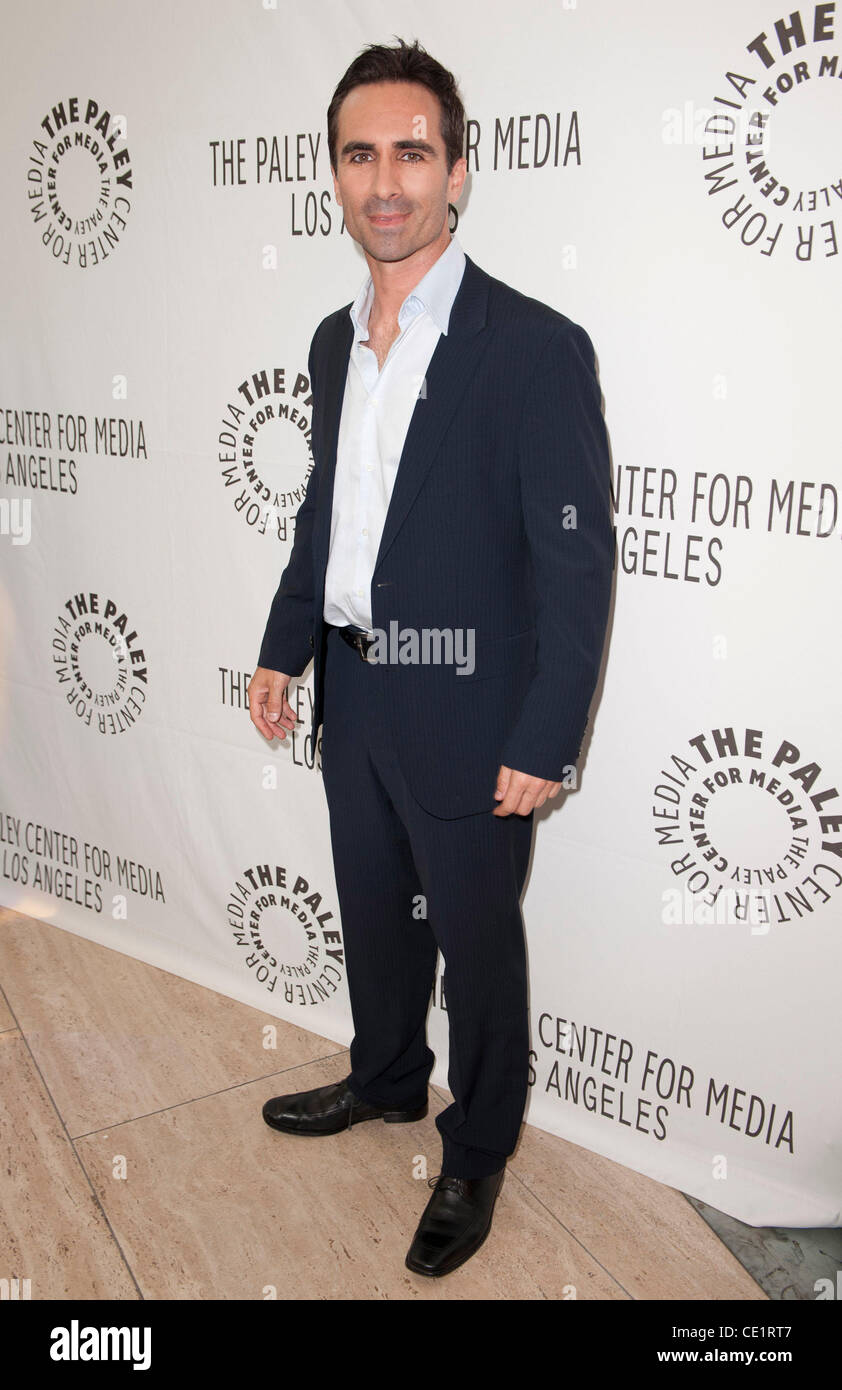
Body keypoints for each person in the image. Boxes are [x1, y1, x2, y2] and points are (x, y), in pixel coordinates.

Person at [247, 37, 614, 1279]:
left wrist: (543, 734)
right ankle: (387, 1078)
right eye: (361, 155)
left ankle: (477, 1144)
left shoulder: (531, 345)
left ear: (458, 171)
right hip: (354, 694)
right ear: (335, 176)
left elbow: (575, 562)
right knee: (376, 917)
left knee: (475, 938)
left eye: (412, 152)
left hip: (471, 708)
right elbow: (325, 513)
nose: (385, 180)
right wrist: (283, 649)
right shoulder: (326, 339)